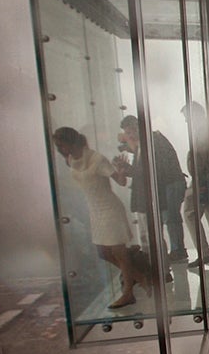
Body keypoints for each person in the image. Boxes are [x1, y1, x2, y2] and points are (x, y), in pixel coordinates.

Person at [52, 127, 147, 309]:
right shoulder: (72, 160)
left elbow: (121, 181)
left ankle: (128, 293)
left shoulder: (96, 159)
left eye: (62, 144)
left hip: (109, 208)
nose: (61, 149)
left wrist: (120, 171)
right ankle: (140, 277)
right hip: (95, 210)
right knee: (103, 252)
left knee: (118, 251)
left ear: (71, 141)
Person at [112, 115, 188, 266]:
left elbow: (152, 170)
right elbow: (144, 171)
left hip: (171, 184)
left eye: (131, 131)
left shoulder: (152, 141)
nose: (130, 136)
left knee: (170, 218)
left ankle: (178, 251)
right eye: (128, 133)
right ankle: (176, 251)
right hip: (168, 184)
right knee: (169, 218)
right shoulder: (148, 142)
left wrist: (129, 163)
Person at [180, 102, 209, 268]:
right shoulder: (205, 130)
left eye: (187, 117)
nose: (186, 121)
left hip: (202, 180)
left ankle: (205, 253)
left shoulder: (202, 131)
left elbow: (200, 159)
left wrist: (200, 181)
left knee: (190, 213)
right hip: (207, 180)